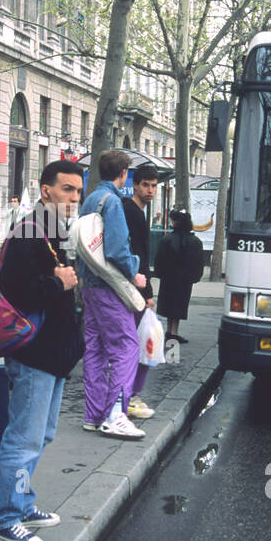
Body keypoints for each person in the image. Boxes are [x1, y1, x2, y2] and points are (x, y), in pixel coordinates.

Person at [0, 160, 84, 541]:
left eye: (78, 191)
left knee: (40, 435)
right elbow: (18, 292)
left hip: (54, 354)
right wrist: (56, 281)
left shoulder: (55, 230)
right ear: (46, 191)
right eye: (66, 189)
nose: (74, 198)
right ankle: (4, 517)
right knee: (24, 438)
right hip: (34, 354)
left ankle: (22, 502)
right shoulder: (30, 231)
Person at [77, 150, 147, 439]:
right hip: (109, 285)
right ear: (123, 174)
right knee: (126, 347)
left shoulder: (91, 200)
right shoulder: (114, 202)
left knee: (95, 349)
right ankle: (116, 414)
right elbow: (117, 249)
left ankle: (93, 415)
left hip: (89, 284)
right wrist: (134, 272)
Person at [121, 164, 158, 420]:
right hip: (135, 287)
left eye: (154, 186)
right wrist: (148, 293)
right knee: (139, 345)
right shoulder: (132, 212)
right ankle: (130, 396)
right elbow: (139, 256)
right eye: (145, 185)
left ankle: (128, 395)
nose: (150, 190)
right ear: (135, 184)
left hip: (132, 285)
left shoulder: (134, 211)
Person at [156, 208, 205, 343]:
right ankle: (174, 332)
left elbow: (159, 260)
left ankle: (169, 331)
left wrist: (159, 274)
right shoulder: (195, 241)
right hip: (184, 280)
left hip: (168, 278)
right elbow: (198, 263)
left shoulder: (167, 239)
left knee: (168, 304)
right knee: (179, 305)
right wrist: (195, 277)